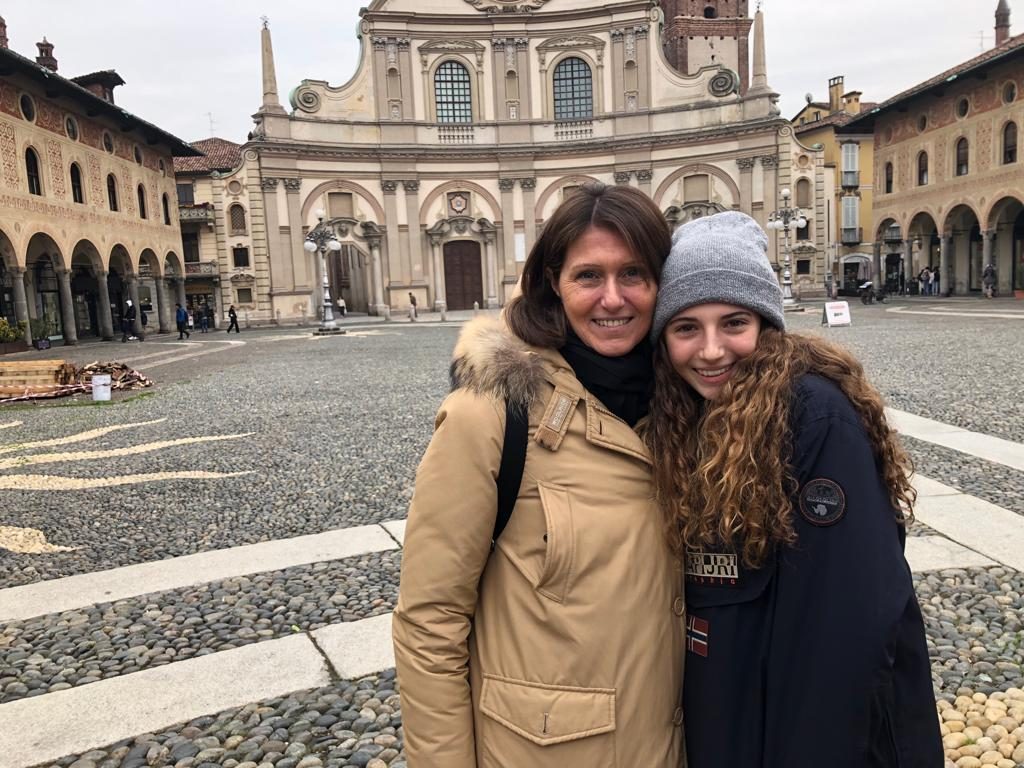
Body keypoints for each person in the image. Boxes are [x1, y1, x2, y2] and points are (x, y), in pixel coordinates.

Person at [393, 183, 685, 766]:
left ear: (662, 283)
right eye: (587, 276)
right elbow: (430, 621)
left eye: (633, 274)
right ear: (553, 281)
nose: (612, 298)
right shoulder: (491, 414)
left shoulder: (690, 407)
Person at [643, 211, 942, 768]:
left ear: (766, 324)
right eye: (687, 328)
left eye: (733, 323)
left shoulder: (812, 416)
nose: (710, 351)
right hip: (737, 719)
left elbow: (841, 631)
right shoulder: (688, 415)